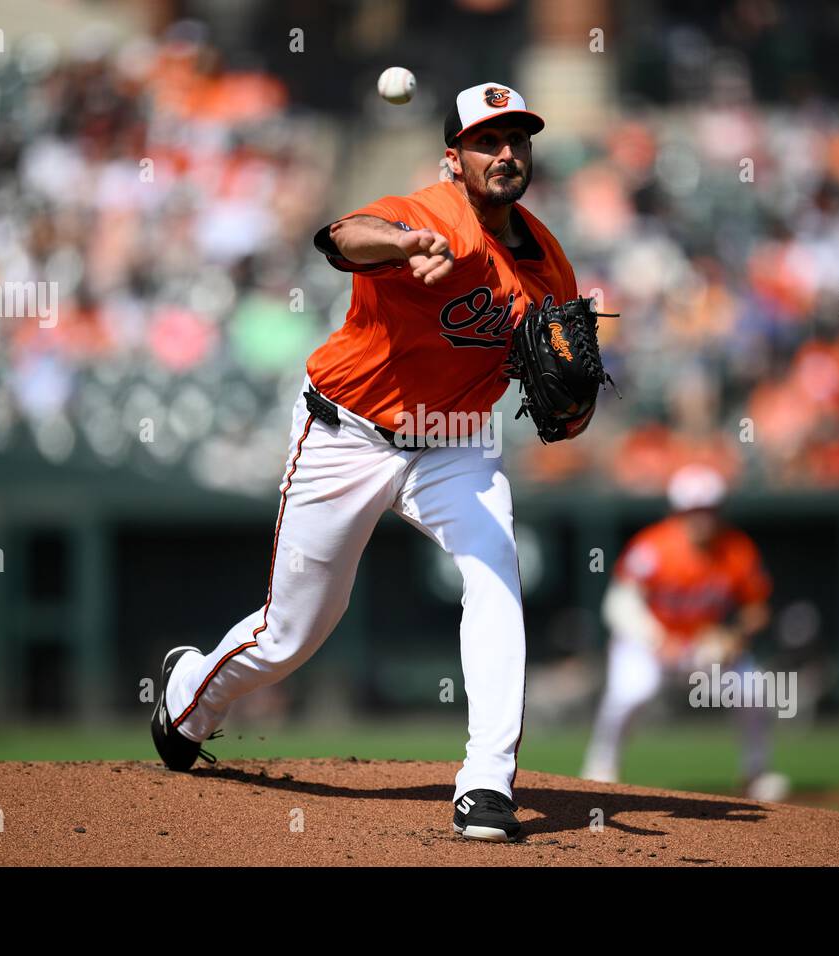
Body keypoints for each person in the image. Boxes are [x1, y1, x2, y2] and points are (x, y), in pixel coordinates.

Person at [149, 82, 581, 843]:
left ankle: (485, 784)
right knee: (295, 631)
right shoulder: (428, 214)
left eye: (517, 138)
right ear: (454, 160)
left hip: (454, 444)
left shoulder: (550, 264)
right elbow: (342, 236)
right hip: (347, 432)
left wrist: (573, 403)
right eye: (487, 140)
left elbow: (567, 400)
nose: (506, 152)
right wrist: (403, 246)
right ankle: (189, 694)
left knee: (495, 577)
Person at [581, 464, 786, 800]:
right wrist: (657, 639)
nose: (701, 518)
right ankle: (600, 770)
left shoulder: (736, 548)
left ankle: (756, 772)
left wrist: (734, 635)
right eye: (693, 510)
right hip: (648, 642)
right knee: (632, 692)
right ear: (677, 511)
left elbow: (758, 609)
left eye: (709, 509)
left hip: (703, 644)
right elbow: (618, 603)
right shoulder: (654, 546)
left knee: (754, 688)